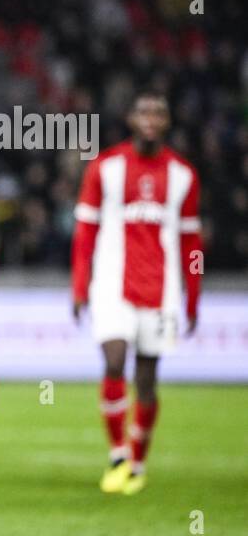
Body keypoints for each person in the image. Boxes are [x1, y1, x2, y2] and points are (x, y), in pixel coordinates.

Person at [71, 91, 202, 495]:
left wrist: (192, 296)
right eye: (143, 111)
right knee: (114, 362)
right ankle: (118, 455)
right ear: (130, 118)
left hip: (161, 291)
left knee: (147, 380)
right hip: (111, 284)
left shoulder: (183, 176)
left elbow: (192, 244)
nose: (150, 118)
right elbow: (85, 232)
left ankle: (139, 463)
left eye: (158, 112)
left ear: (167, 122)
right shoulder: (106, 167)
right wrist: (80, 286)